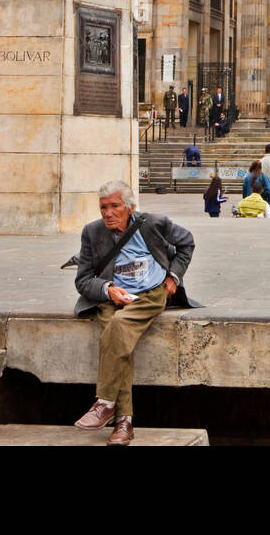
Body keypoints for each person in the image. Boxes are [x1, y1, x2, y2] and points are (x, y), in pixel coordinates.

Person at [72, 181, 199, 445]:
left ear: (129, 207)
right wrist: (108, 289)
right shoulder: (92, 232)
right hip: (114, 298)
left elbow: (186, 243)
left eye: (115, 206)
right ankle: (123, 424)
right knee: (119, 340)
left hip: (151, 294)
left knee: (117, 329)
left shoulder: (153, 223)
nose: (108, 213)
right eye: (103, 207)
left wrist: (173, 277)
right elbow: (83, 280)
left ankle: (105, 403)